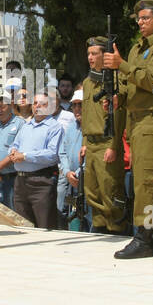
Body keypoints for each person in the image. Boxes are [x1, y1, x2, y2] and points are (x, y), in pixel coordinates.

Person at [102, 0, 153, 259]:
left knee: (148, 183)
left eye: (146, 18)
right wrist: (118, 97)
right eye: (139, 18)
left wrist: (121, 64)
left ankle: (145, 236)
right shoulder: (137, 48)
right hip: (138, 121)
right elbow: (129, 83)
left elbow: (152, 78)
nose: (140, 22)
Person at [79, 36, 128, 234]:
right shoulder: (88, 82)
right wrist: (84, 141)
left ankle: (117, 229)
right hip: (91, 143)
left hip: (107, 143)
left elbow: (120, 115)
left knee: (110, 190)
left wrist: (114, 145)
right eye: (88, 54)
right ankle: (99, 227)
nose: (90, 58)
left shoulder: (116, 80)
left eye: (94, 54)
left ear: (104, 55)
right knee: (93, 192)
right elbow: (86, 115)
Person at [6, 91, 64, 229]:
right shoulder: (26, 126)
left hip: (41, 181)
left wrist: (25, 156)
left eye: (42, 104)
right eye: (35, 103)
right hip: (20, 182)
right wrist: (13, 151)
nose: (37, 106)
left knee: (44, 225)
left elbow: (52, 154)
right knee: (23, 226)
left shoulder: (54, 127)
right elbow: (15, 144)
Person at [58, 90, 85, 226]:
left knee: (87, 220)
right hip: (71, 181)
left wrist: (79, 174)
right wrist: (68, 172)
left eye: (80, 104)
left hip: (86, 181)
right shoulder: (70, 127)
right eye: (74, 105)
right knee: (72, 219)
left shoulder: (94, 127)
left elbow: (93, 152)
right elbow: (62, 152)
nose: (76, 109)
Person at [0, 98, 25, 208]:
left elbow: (16, 151)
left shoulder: (20, 124)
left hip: (11, 179)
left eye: (2, 107)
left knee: (11, 214)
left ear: (11, 105)